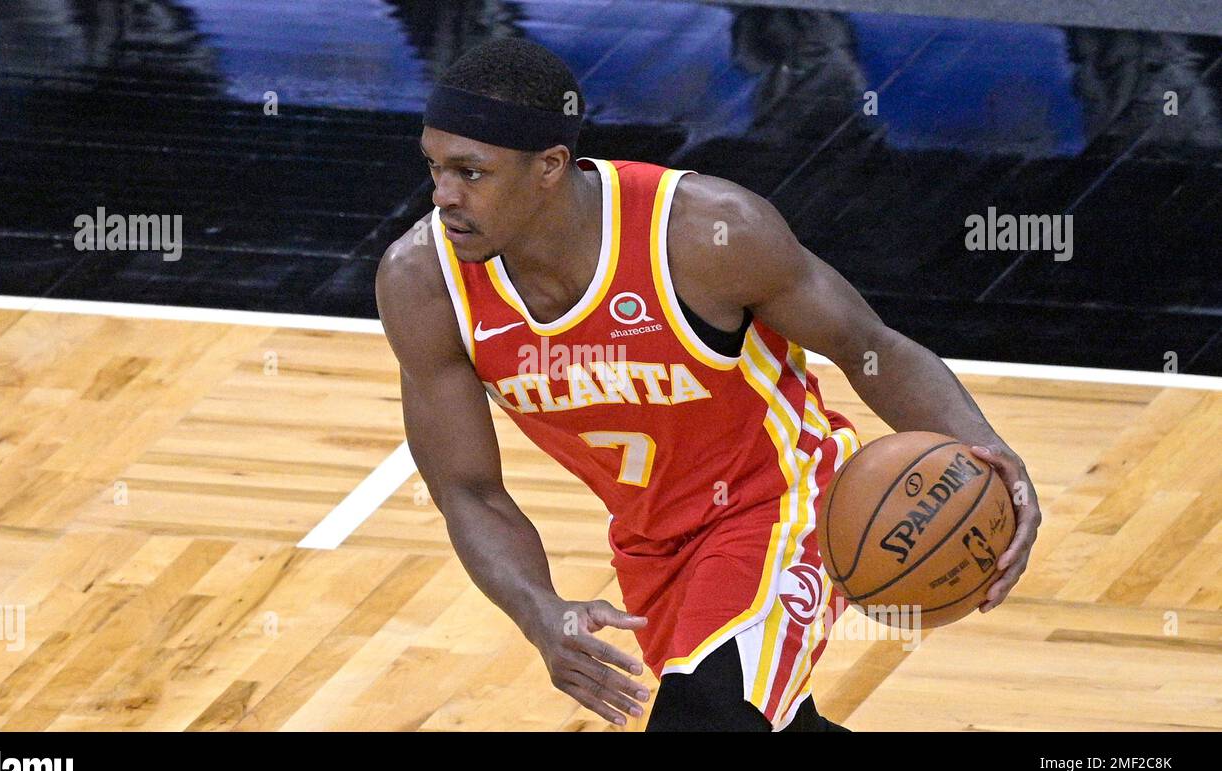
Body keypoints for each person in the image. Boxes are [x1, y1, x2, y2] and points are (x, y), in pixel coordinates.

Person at [375, 38, 1041, 731]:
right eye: (434, 166)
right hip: (654, 549)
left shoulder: (704, 234)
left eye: (470, 172)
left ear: (549, 166)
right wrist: (539, 609)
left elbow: (871, 347)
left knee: (704, 721)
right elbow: (467, 488)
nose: (442, 195)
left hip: (783, 504)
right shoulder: (424, 284)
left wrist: (995, 457)